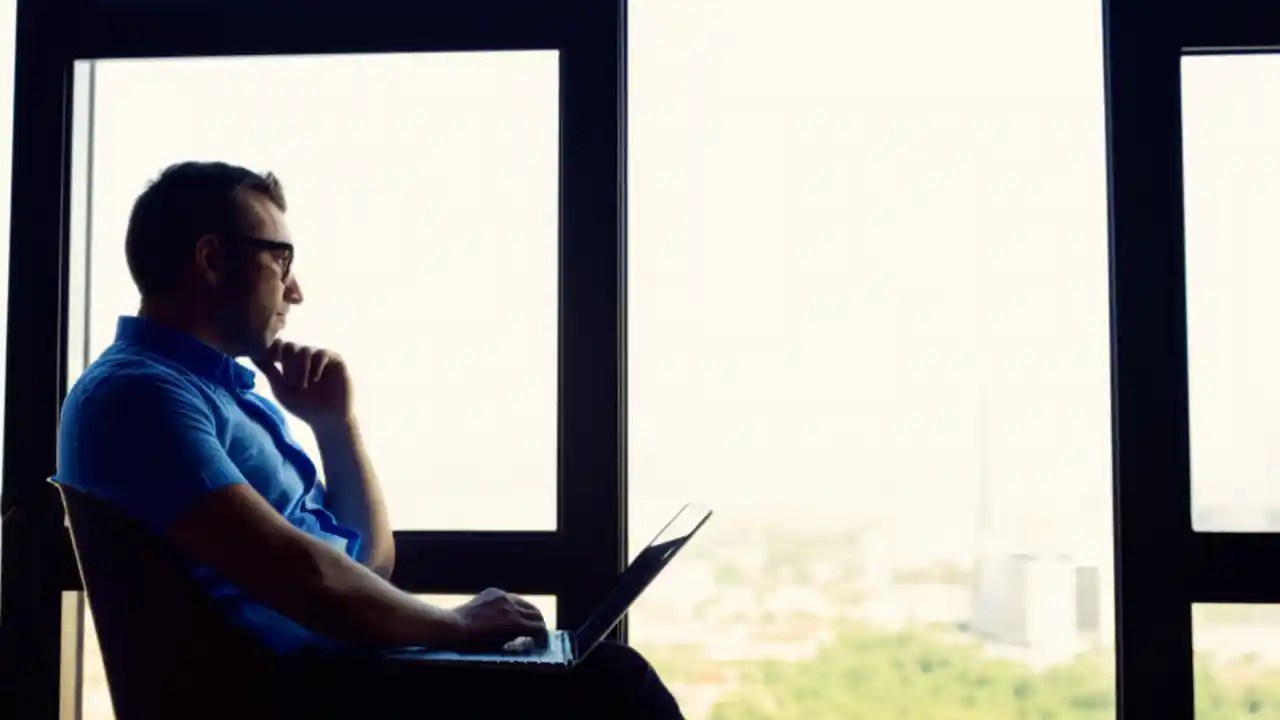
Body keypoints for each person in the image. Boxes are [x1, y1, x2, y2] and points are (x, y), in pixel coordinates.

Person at [54, 161, 684, 718]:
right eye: (282, 259)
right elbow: (307, 579)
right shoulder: (139, 396)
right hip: (296, 695)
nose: (295, 290)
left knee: (599, 677)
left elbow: (366, 566)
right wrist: (454, 625)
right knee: (611, 685)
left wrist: (336, 425)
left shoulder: (224, 395)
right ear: (212, 259)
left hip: (336, 678)